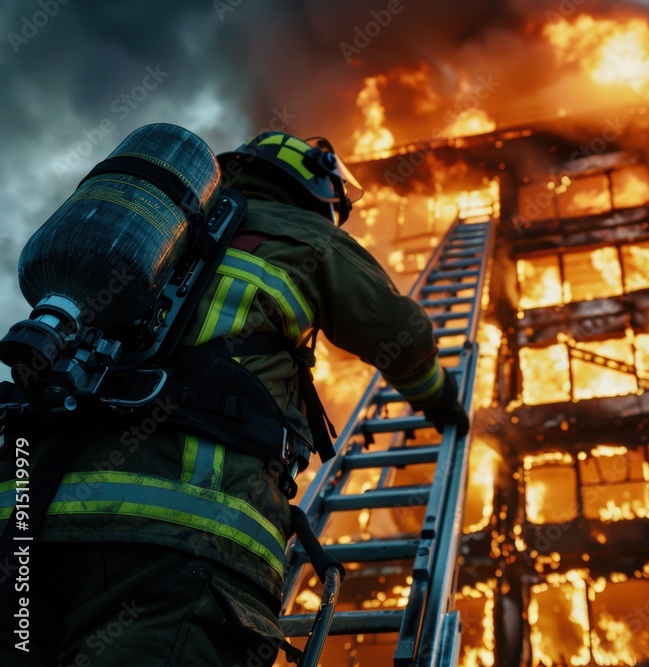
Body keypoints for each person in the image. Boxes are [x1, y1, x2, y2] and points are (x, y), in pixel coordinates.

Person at [0, 131, 469, 666]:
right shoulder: (306, 235)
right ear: (317, 188)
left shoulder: (155, 231)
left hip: (22, 519)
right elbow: (402, 335)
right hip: (179, 534)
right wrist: (441, 400)